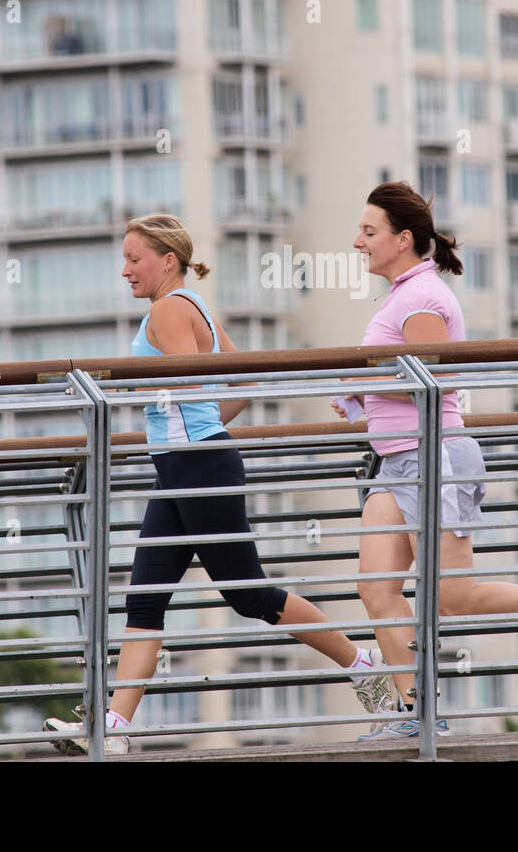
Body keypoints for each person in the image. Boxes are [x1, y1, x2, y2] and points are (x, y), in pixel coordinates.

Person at [45, 214, 392, 755]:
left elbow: (184, 384)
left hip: (197, 465)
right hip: (186, 464)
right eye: (123, 259)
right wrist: (208, 427)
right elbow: (244, 379)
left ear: (166, 261)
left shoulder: (167, 308)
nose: (124, 271)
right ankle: (114, 730)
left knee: (247, 592)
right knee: (144, 598)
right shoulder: (197, 304)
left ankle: (361, 662)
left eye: (133, 259)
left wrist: (190, 425)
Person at [339, 182, 518, 742]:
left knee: (454, 593)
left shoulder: (421, 298)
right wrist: (363, 388)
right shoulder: (405, 292)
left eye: (368, 232)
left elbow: (434, 383)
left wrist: (361, 380)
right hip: (397, 462)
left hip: (434, 457)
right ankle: (416, 712)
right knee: (375, 586)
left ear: (403, 239)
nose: (357, 243)